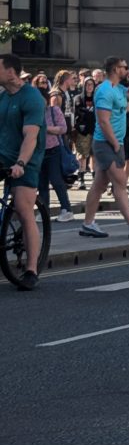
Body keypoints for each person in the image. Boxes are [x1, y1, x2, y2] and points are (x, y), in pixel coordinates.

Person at [79, 57, 129, 241]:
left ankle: (88, 224)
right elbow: (103, 121)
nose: (127, 69)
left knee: (100, 184)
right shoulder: (104, 90)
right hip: (105, 143)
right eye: (124, 67)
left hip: (115, 142)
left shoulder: (119, 89)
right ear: (115, 69)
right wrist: (113, 143)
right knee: (120, 182)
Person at [0, 54, 47, 287]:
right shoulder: (3, 97)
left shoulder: (32, 98)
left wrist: (20, 164)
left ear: (10, 72)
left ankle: (31, 268)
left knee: (23, 207)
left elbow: (30, 136)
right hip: (2, 155)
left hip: (26, 161)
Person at [40, 87, 75, 224]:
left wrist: (46, 129)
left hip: (54, 149)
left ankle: (66, 209)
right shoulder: (33, 112)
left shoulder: (53, 110)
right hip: (38, 151)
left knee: (56, 180)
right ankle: (44, 211)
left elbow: (63, 128)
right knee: (41, 183)